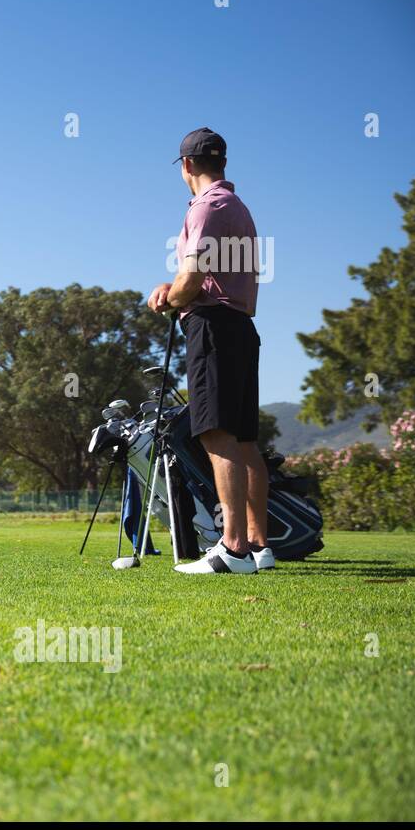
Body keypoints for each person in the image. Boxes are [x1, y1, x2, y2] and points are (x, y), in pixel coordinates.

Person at [147, 128, 271, 575]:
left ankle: (233, 549)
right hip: (240, 326)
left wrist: (168, 295)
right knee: (241, 439)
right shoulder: (238, 207)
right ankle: (258, 546)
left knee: (215, 432)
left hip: (213, 327)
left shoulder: (206, 207)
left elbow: (194, 278)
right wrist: (177, 288)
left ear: (187, 166)